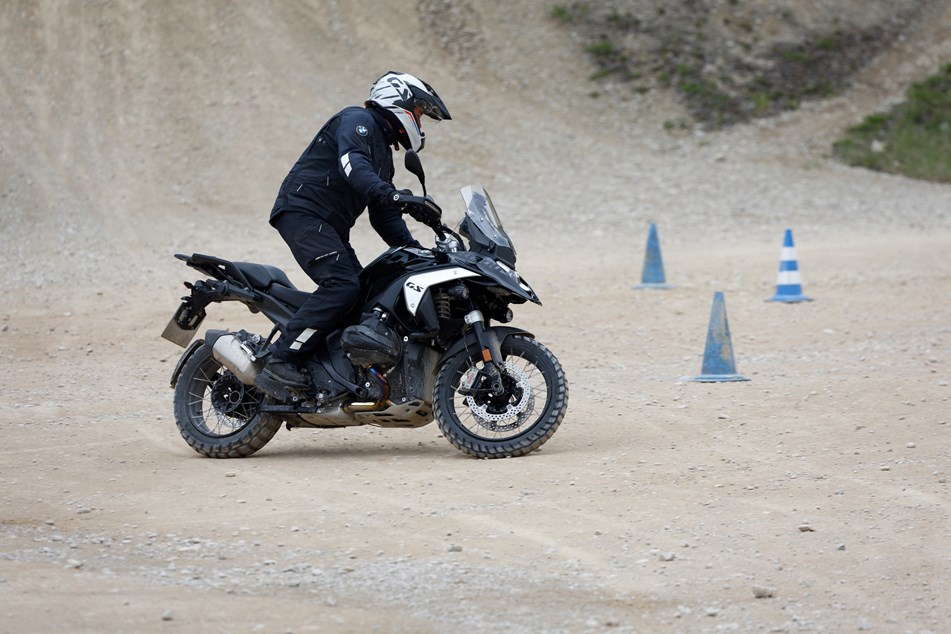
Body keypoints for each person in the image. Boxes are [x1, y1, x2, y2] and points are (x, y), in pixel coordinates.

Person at [255, 71, 451, 399]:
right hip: (303, 214)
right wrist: (395, 195)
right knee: (343, 285)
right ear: (399, 100)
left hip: (329, 226)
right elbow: (353, 166)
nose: (421, 122)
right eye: (420, 113)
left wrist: (416, 253)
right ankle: (281, 358)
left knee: (363, 294)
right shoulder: (357, 120)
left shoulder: (385, 158)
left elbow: (384, 219)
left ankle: (330, 369)